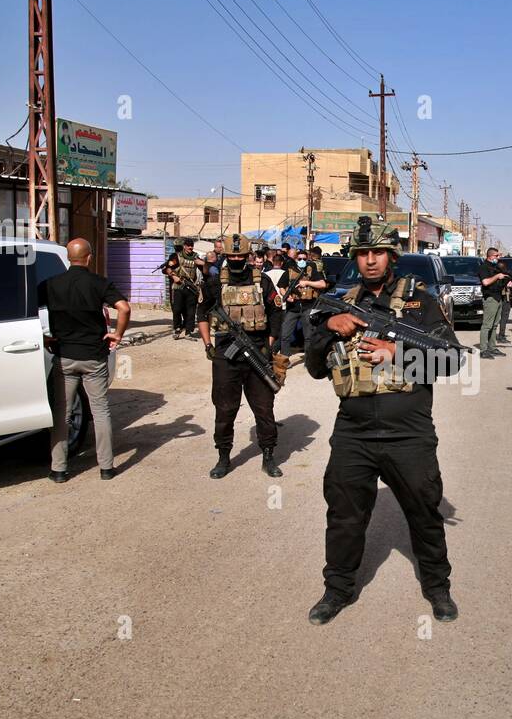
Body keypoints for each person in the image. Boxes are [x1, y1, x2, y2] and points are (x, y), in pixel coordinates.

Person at [304, 216, 465, 626]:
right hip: (353, 432)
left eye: (377, 252)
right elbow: (315, 369)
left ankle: (437, 587)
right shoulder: (343, 302)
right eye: (363, 253)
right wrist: (327, 328)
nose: (370, 261)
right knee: (343, 514)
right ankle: (337, 590)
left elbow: (453, 360)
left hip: (407, 433)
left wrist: (398, 355)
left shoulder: (420, 302)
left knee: (424, 512)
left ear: (392, 256)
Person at [198, 232, 287, 478]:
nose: (236, 260)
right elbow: (202, 313)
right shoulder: (215, 283)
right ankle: (224, 456)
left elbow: (276, 315)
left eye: (240, 256)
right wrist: (208, 345)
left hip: (257, 353)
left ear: (248, 256)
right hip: (227, 355)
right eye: (231, 256)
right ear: (225, 256)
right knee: (225, 409)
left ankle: (268, 456)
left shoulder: (263, 281)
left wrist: (268, 346)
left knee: (264, 408)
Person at [41, 238, 130, 482]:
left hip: (64, 356)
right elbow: (124, 308)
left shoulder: (51, 284)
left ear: (69, 257)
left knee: (62, 413)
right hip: (94, 357)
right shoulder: (99, 283)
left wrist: (44, 337)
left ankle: (58, 469)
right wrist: (117, 334)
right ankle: (106, 468)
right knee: (100, 410)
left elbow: (24, 311)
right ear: (89, 257)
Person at [276, 247, 328, 358]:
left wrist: (307, 282)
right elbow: (281, 286)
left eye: (304, 258)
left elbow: (322, 284)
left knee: (308, 336)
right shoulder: (289, 270)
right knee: (285, 334)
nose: (302, 261)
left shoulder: (311, 269)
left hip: (308, 306)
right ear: (295, 259)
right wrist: (287, 295)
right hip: (293, 307)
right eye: (299, 259)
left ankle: (309, 359)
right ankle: (285, 358)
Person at [477, 246, 511, 359]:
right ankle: (483, 349)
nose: (498, 257)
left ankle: (492, 347)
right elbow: (486, 282)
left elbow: (498, 283)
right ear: (491, 256)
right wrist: (497, 276)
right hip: (490, 298)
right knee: (487, 325)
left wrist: (507, 282)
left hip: (498, 298)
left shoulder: (495, 267)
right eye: (497, 256)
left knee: (495, 325)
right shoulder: (484, 267)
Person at [165, 238, 202, 340]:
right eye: (188, 245)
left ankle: (188, 332)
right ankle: (177, 328)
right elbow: (168, 268)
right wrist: (173, 276)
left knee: (191, 311)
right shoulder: (176, 256)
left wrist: (206, 263)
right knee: (177, 309)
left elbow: (203, 266)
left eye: (192, 245)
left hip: (191, 287)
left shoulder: (195, 257)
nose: (190, 247)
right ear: (184, 246)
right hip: (179, 286)